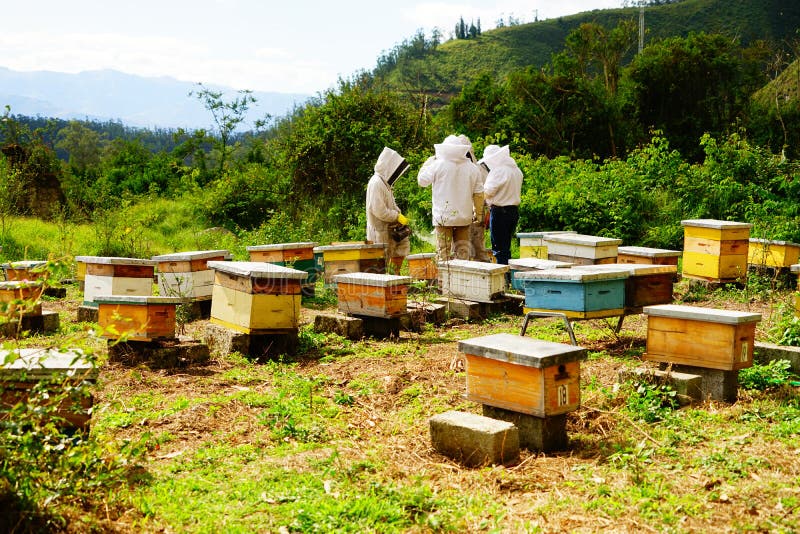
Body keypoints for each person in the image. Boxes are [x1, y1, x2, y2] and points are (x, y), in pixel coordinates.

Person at [417, 135, 484, 261]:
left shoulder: (437, 165)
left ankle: (444, 280)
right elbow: (479, 193)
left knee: (443, 254)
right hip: (464, 218)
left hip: (443, 218)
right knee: (463, 253)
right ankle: (462, 280)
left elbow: (422, 181)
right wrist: (479, 214)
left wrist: (428, 163)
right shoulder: (472, 168)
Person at [366, 146, 411, 273]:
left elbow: (391, 204)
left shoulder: (384, 183)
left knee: (401, 248)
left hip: (389, 229)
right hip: (380, 230)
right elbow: (379, 210)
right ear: (388, 166)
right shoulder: (376, 183)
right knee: (381, 264)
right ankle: (386, 284)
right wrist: (396, 216)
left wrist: (399, 214)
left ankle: (395, 277)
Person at [480, 145, 523, 265]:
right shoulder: (516, 170)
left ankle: (503, 278)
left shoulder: (498, 171)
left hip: (500, 212)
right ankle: (507, 277)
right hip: (513, 212)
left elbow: (487, 192)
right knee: (506, 246)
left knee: (499, 249)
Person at [457, 135, 492, 262]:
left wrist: (485, 212)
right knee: (461, 250)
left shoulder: (479, 168)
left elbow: (486, 192)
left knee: (477, 249)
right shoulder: (454, 168)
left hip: (475, 214)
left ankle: (484, 278)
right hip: (460, 215)